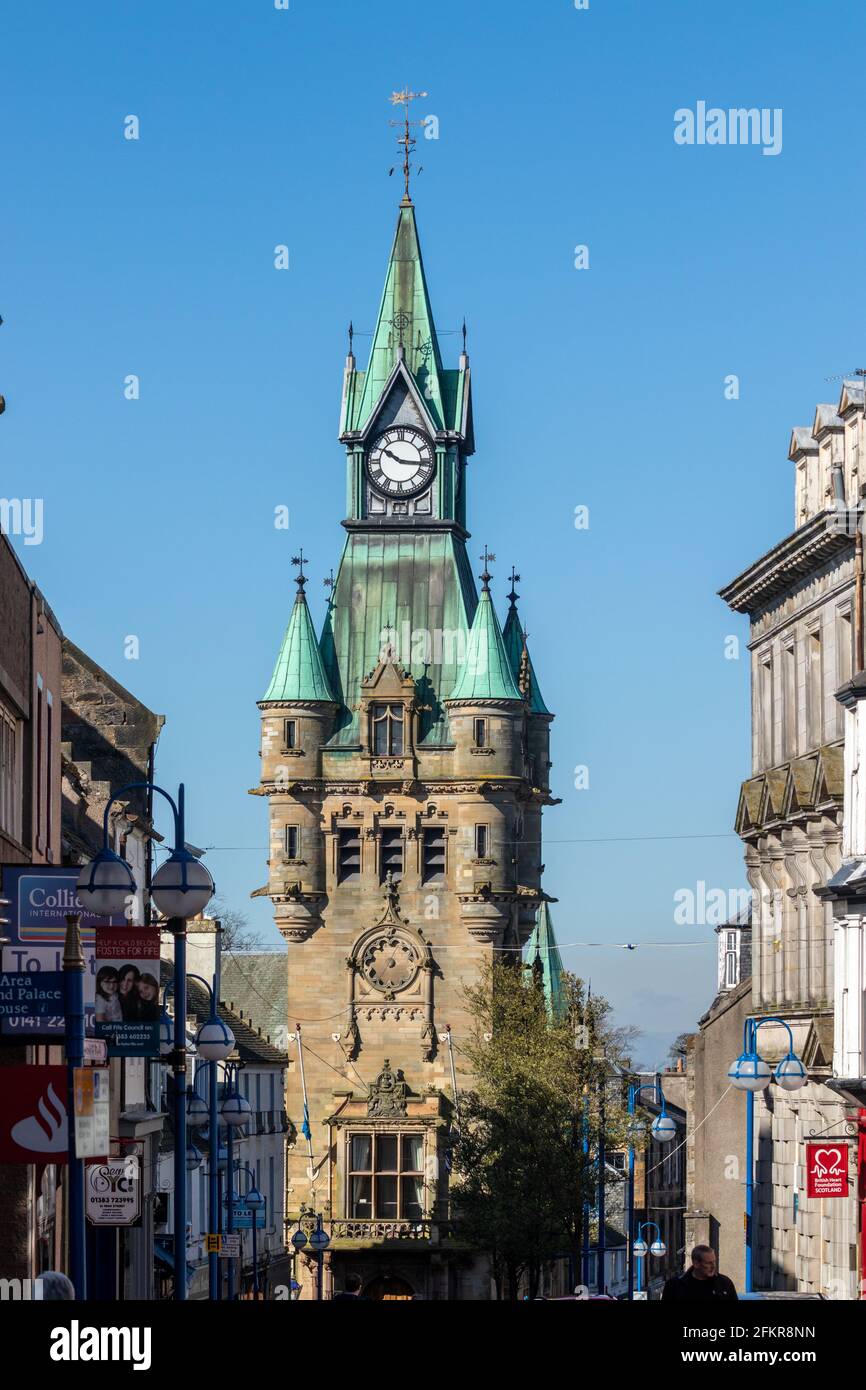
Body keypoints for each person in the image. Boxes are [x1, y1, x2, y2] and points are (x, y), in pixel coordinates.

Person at [662, 1245, 738, 1300]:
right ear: (696, 1264)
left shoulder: (725, 1283)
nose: (713, 1266)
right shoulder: (674, 1286)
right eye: (708, 1263)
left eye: (714, 1262)